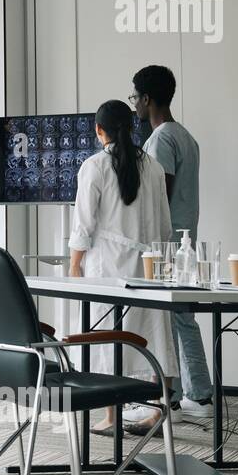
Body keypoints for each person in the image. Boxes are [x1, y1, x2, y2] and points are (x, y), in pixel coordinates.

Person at [69, 99, 175, 435]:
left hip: (108, 267)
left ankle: (112, 417)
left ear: (99, 131)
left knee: (108, 338)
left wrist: (75, 263)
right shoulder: (154, 166)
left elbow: (83, 223)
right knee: (156, 336)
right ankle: (159, 411)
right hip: (149, 265)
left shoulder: (95, 166)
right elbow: (166, 226)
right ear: (131, 128)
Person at [132, 65, 213, 419]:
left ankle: (182, 397)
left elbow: (158, 194)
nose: (133, 104)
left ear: (147, 98)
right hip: (183, 239)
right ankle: (189, 395)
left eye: (135, 97)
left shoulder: (162, 138)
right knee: (180, 318)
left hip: (165, 244)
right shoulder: (185, 136)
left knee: (171, 320)